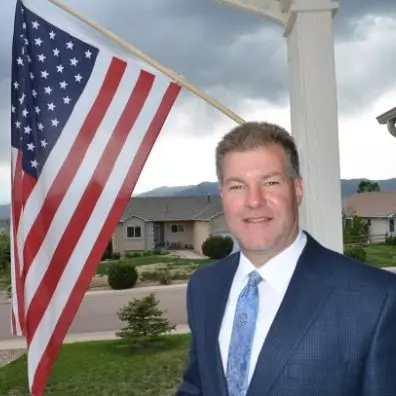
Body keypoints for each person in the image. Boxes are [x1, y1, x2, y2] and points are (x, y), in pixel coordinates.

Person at [176, 121, 396, 396]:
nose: (254, 200)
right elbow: (196, 385)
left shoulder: (377, 299)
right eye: (237, 186)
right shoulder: (204, 286)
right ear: (223, 197)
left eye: (270, 182)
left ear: (297, 189)